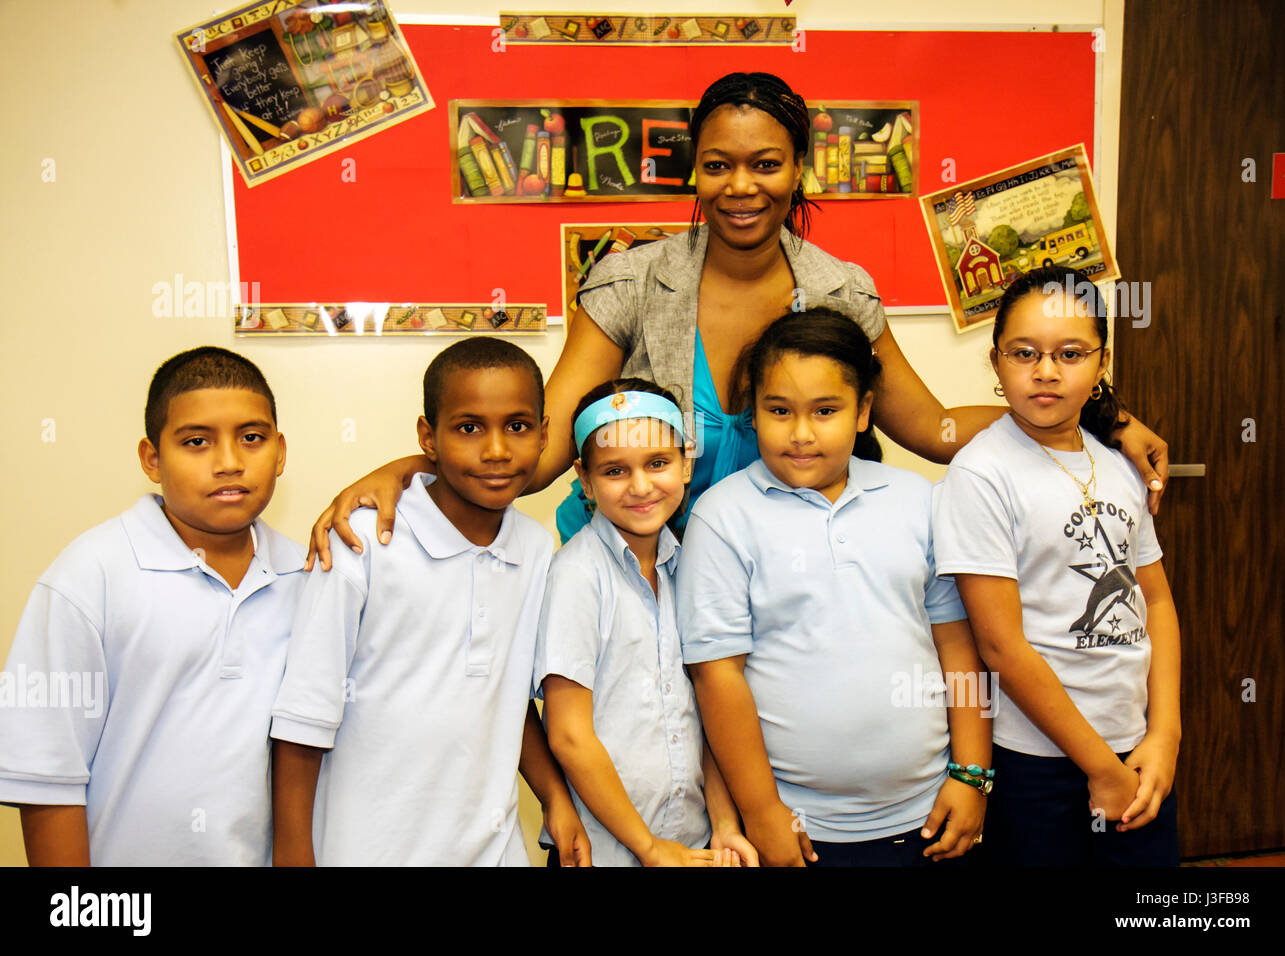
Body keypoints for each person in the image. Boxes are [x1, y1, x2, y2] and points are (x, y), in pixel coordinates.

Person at [302, 71, 1169, 565]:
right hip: (638, 564)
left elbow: (934, 427)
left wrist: (1104, 420)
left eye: (765, 164)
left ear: (799, 172)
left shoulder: (840, 289)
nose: (741, 186)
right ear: (694, 172)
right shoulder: (632, 282)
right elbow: (547, 442)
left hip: (789, 568)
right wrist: (413, 468)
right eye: (718, 165)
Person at [677, 309, 992, 867]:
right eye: (779, 411)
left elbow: (957, 645)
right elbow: (716, 675)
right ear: (754, 412)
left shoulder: (916, 499)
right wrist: (763, 812)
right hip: (798, 832)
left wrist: (972, 773)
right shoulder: (721, 517)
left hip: (928, 819)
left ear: (864, 411)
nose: (801, 433)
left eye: (825, 411)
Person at [269, 338, 589, 866]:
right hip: (366, 850)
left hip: (491, 847)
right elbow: (304, 714)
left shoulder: (535, 549)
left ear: (544, 434)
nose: (496, 450)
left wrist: (554, 796)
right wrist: (293, 853)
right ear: (428, 437)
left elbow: (506, 696)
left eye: (517, 426)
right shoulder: (362, 542)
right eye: (468, 428)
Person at [0, 347, 304, 865]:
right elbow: (46, 778)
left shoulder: (308, 577)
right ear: (152, 458)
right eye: (196, 442)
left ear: (279, 451)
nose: (229, 462)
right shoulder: (88, 576)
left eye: (251, 438)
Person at [932, 267, 1181, 866]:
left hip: (1138, 748)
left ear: (1101, 363)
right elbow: (1000, 647)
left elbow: (1158, 604)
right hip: (1039, 764)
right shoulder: (982, 472)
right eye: (1025, 353)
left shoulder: (1118, 464)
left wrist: (1165, 734)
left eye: (1070, 353)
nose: (1046, 370)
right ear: (996, 363)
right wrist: (1099, 767)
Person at [534, 378, 757, 867]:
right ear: (585, 480)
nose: (640, 487)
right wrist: (649, 848)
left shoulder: (690, 569)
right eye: (615, 470)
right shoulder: (575, 576)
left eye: (658, 463)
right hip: (608, 853)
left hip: (692, 847)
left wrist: (722, 825)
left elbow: (706, 711)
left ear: (686, 463)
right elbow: (569, 735)